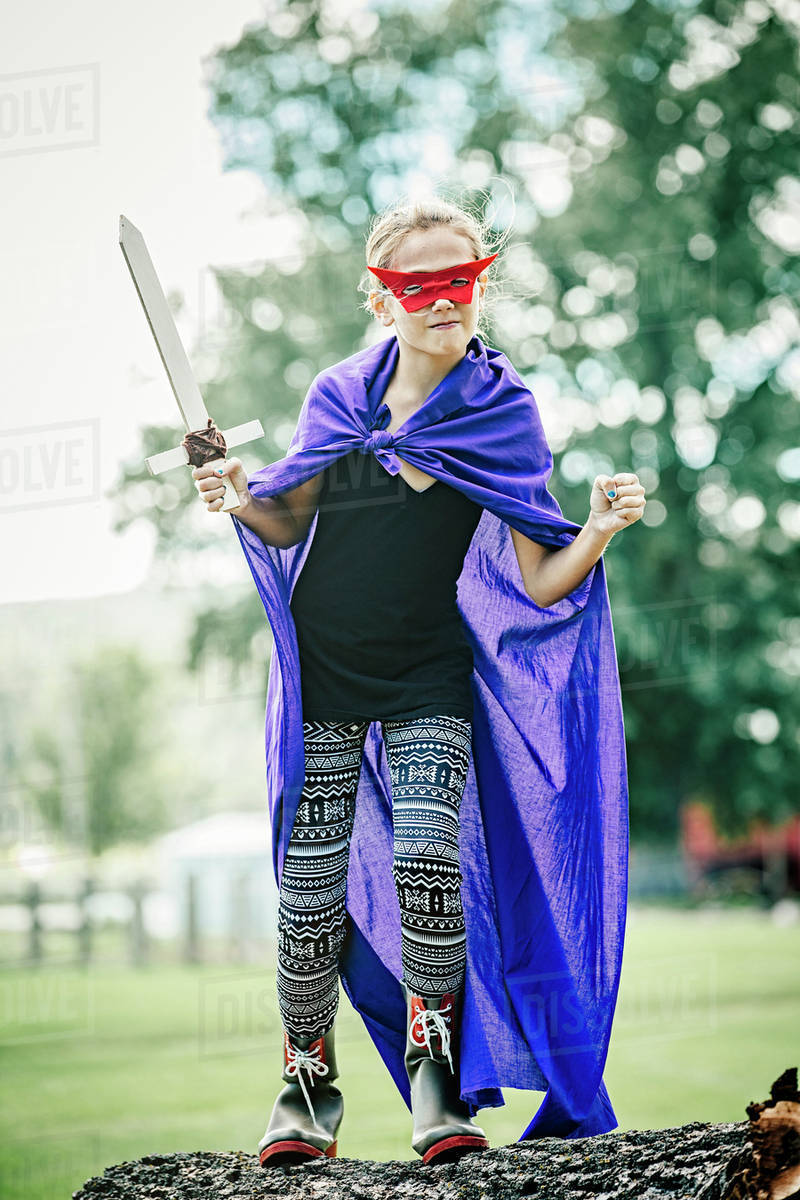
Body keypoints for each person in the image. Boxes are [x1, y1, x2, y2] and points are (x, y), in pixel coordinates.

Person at [192, 195, 645, 1167]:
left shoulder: (501, 410)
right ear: (379, 296)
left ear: (480, 282)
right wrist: (236, 496)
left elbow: (537, 576)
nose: (442, 301)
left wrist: (597, 532)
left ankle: (436, 1084)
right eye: (418, 285)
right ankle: (303, 1088)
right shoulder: (337, 397)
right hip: (327, 670)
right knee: (310, 885)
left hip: (427, 672)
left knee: (428, 867)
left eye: (460, 280)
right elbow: (284, 519)